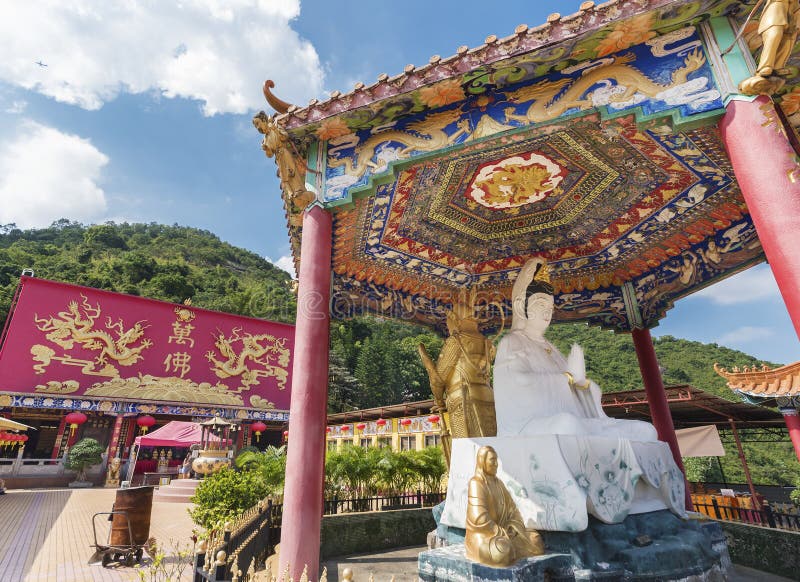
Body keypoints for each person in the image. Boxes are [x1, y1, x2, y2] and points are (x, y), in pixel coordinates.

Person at [493, 257, 657, 441]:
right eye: (540, 304)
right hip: (527, 425)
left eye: (550, 306)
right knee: (566, 424)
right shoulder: (512, 342)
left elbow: (576, 388)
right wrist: (567, 378)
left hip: (578, 421)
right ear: (520, 306)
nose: (547, 312)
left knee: (645, 431)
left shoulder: (552, 349)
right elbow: (518, 383)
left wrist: (582, 384)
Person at [465, 446, 543, 567]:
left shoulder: (499, 483)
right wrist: (502, 532)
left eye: (496, 460)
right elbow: (479, 517)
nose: (496, 464)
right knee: (501, 552)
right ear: (482, 461)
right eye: (492, 460)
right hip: (484, 537)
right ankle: (507, 550)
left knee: (535, 540)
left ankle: (511, 548)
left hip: (504, 533)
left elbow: (513, 509)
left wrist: (512, 527)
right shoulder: (476, 483)